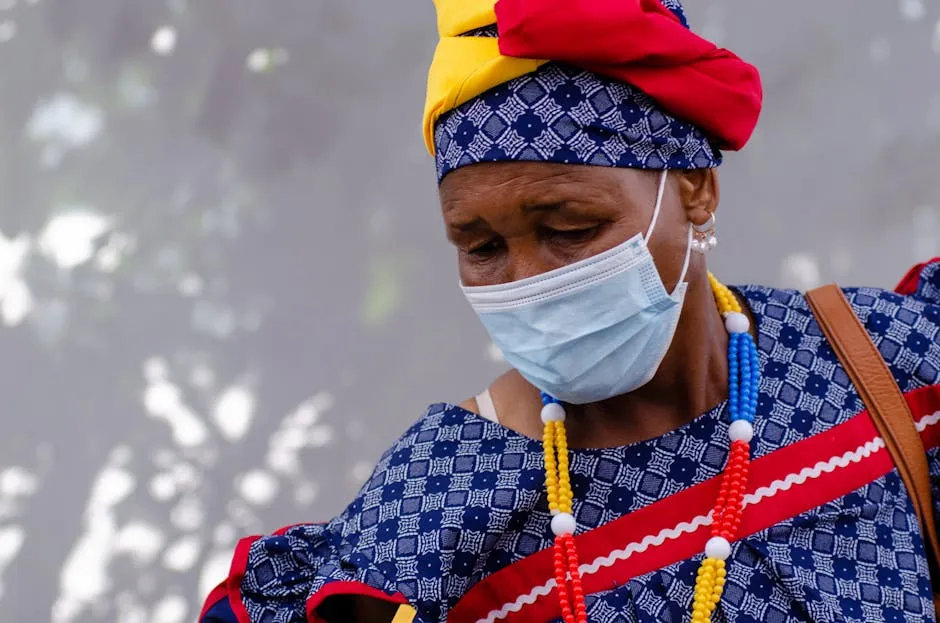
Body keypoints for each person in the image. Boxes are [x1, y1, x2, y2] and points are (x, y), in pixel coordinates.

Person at [199, 0, 940, 621]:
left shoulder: (882, 366)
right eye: (482, 245)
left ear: (694, 188)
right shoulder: (444, 492)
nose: (530, 281)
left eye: (571, 229)